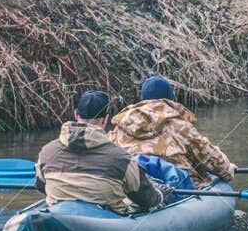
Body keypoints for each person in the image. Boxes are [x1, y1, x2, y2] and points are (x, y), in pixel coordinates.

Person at [35, 90, 164, 214]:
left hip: (57, 216)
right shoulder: (123, 158)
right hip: (106, 226)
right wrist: (160, 194)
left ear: (76, 114)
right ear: (105, 119)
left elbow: (41, 186)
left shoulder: (47, 151)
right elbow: (147, 200)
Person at [110, 75, 237, 186]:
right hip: (177, 187)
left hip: (133, 185)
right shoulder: (179, 126)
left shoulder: (120, 126)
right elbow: (209, 156)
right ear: (170, 98)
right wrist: (228, 168)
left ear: (143, 98)